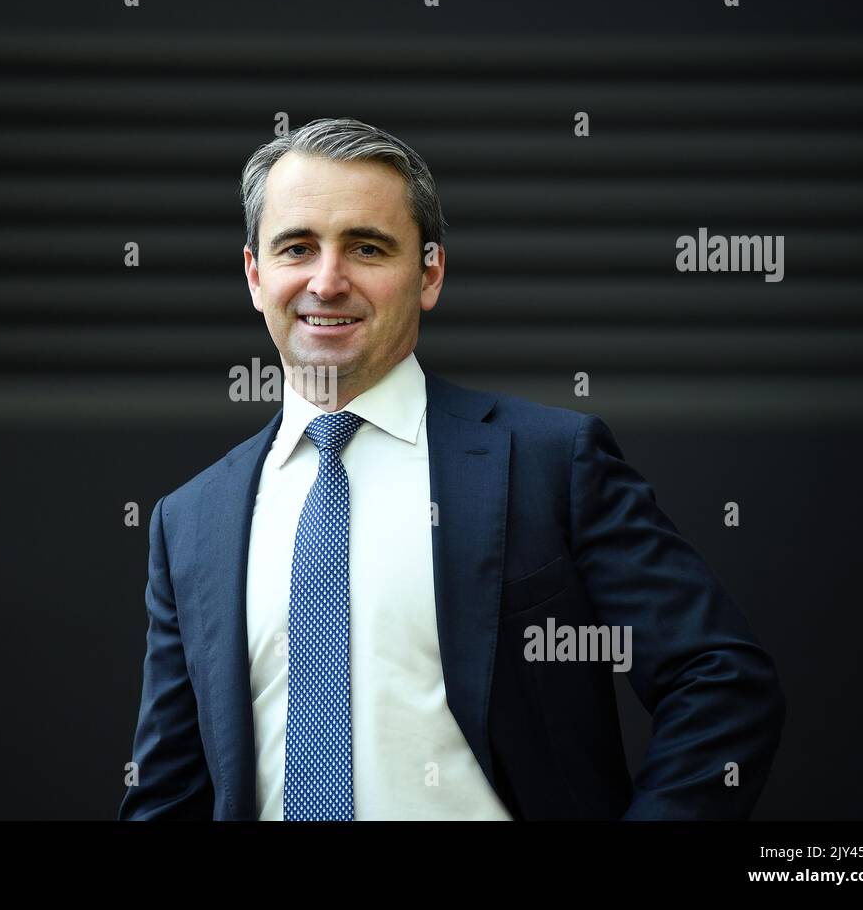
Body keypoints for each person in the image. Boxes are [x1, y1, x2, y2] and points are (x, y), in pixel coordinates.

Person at [118, 117, 785, 820]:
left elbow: (722, 680)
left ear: (429, 272)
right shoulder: (189, 520)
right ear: (256, 276)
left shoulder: (552, 462)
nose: (328, 279)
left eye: (367, 247)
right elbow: (167, 791)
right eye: (297, 247)